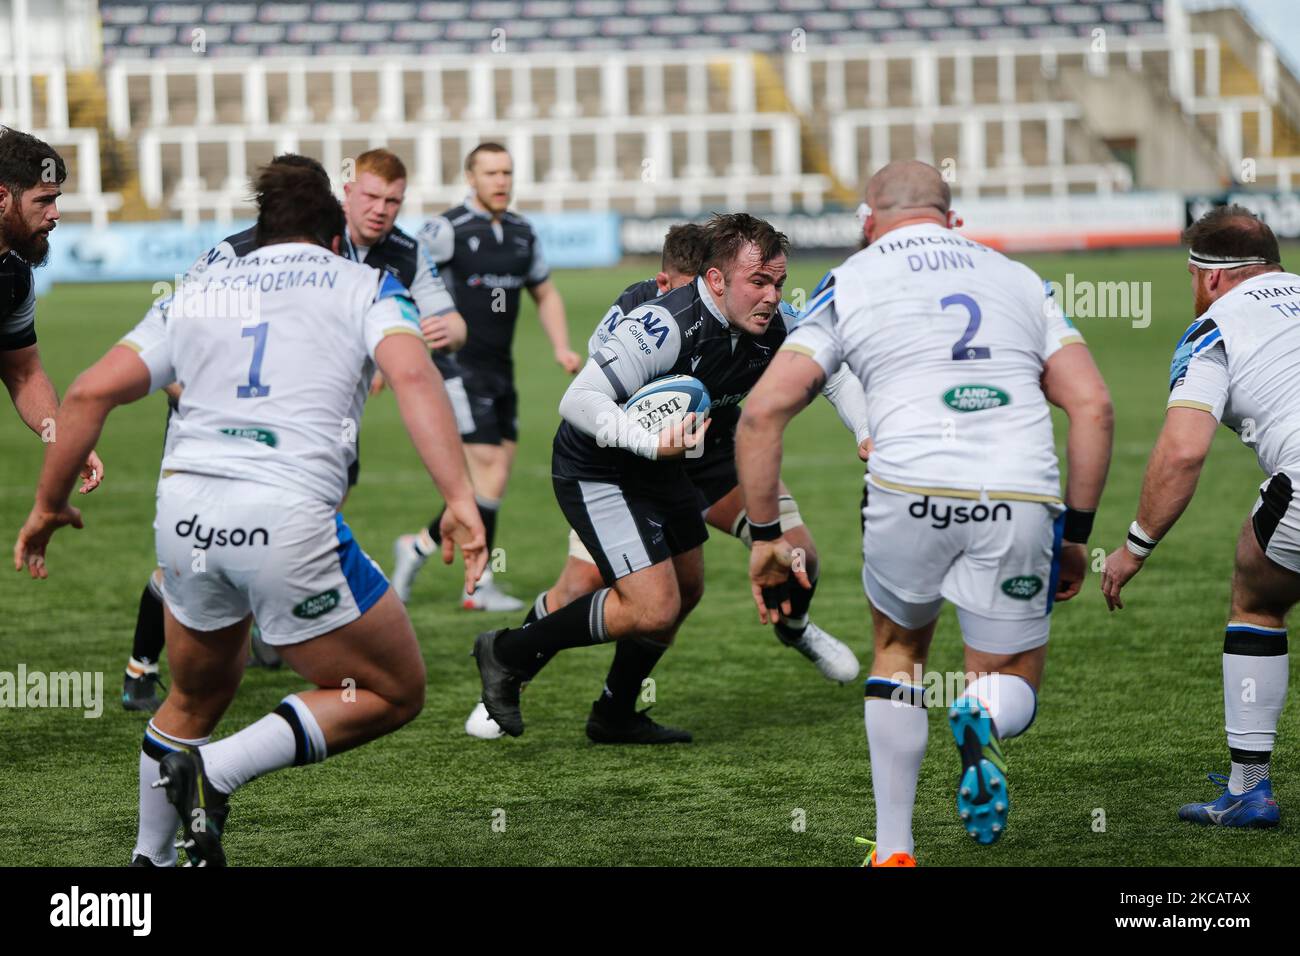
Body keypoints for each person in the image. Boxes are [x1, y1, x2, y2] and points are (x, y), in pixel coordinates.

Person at [14, 160, 486, 866]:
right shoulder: (365, 281)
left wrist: (48, 505)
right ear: (334, 239)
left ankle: (150, 861)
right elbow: (415, 375)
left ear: (259, 236)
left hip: (185, 520)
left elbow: (85, 395)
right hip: (285, 517)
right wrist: (458, 498)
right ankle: (218, 772)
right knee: (393, 689)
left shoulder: (203, 288)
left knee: (192, 700)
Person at [735, 160, 1113, 864]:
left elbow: (761, 413)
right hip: (1019, 492)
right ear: (953, 219)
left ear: (867, 223)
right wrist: (1078, 534)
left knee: (900, 653)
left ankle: (894, 849)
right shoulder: (1020, 280)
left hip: (908, 488)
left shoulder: (851, 279)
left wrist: (765, 538)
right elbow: (1093, 405)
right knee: (1007, 674)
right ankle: (985, 710)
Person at [463, 222, 865, 739]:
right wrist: (650, 441)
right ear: (716, 280)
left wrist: (868, 431)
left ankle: (615, 713)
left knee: (689, 588)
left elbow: (832, 371)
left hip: (678, 460)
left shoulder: (777, 323)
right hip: (603, 466)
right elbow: (578, 400)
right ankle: (505, 652)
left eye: (778, 284)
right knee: (649, 606)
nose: (772, 297)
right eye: (759, 282)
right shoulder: (662, 324)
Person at [121, 149, 466, 710]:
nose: (381, 211)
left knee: (299, 529)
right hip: (220, 428)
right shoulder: (240, 251)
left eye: (393, 201)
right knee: (200, 551)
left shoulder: (403, 253)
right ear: (342, 198)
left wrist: (439, 330)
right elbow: (170, 339)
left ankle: (269, 628)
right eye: (371, 197)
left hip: (321, 428)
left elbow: (450, 321)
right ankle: (142, 664)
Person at [1102, 206, 1293, 829]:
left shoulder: (1215, 325)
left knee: (1256, 594)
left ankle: (1249, 788)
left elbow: (1183, 451)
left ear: (1210, 277)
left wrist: (1134, 547)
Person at [392, 142, 581, 611]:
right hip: (456, 367)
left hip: (501, 369)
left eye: (507, 172)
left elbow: (546, 293)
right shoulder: (446, 229)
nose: (501, 181)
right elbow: (401, 277)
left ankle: (416, 547)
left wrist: (560, 346)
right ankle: (477, 587)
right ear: (470, 178)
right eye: (491, 172)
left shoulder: (521, 232)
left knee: (491, 479)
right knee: (489, 470)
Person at [0, 126, 103, 492]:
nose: (55, 214)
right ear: (2, 198)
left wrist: (62, 437)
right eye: (44, 200)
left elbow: (23, 373)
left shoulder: (14, 276)